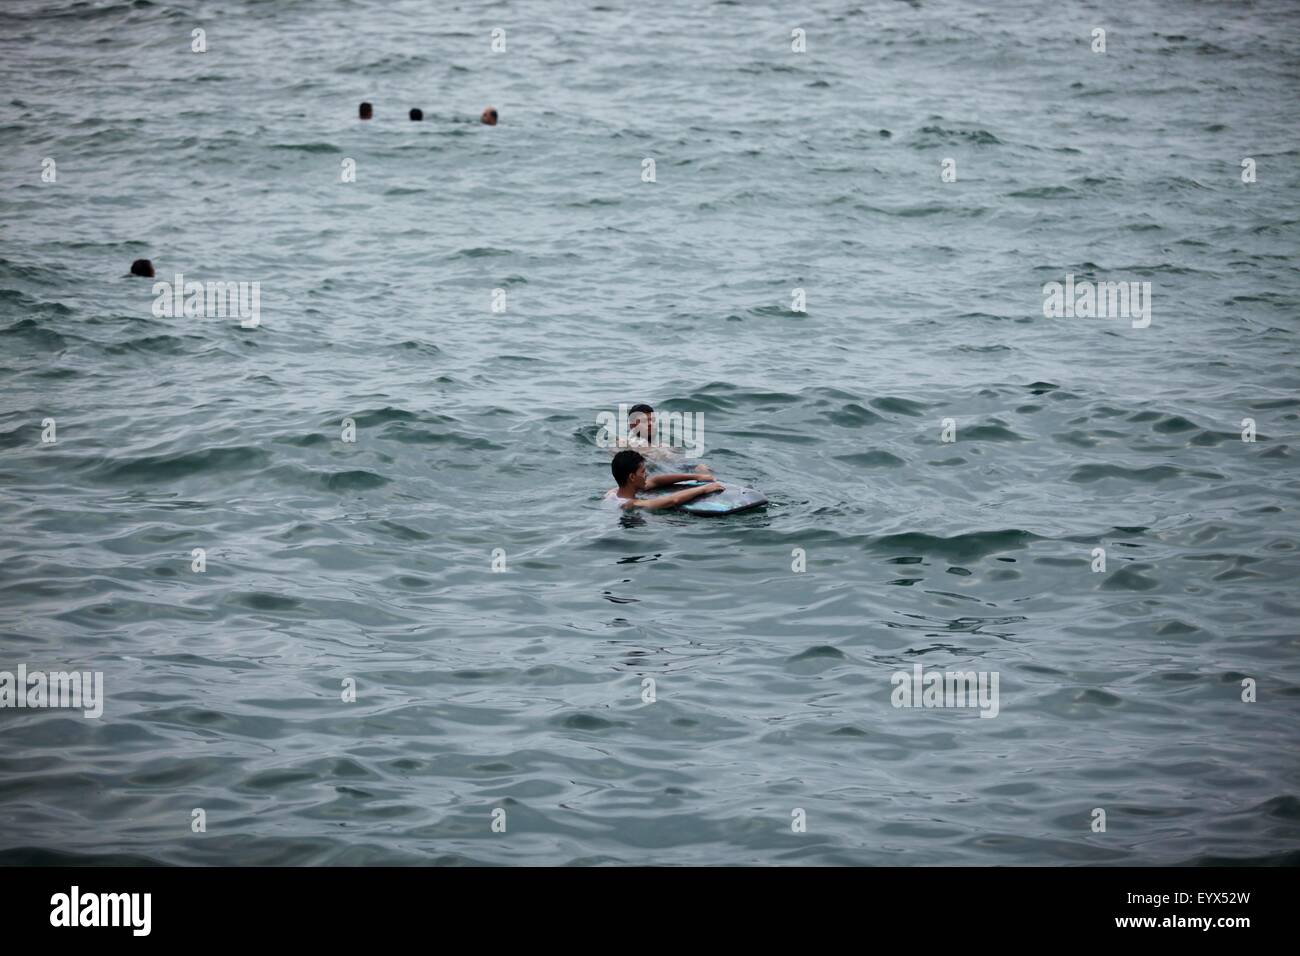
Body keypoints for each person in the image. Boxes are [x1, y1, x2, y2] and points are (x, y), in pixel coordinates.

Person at [605, 450, 722, 511]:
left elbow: (655, 481)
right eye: (643, 472)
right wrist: (704, 489)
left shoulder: (613, 493)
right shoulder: (629, 504)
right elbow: (672, 500)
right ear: (632, 477)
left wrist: (696, 476)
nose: (647, 474)